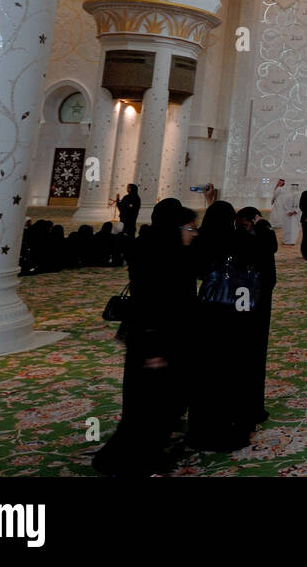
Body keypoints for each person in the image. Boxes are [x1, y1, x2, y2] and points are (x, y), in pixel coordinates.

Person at [93, 199, 198, 476]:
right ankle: (134, 461)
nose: (193, 233)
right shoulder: (159, 258)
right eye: (190, 227)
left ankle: (140, 456)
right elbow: (151, 306)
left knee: (156, 405)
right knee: (150, 408)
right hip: (155, 342)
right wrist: (154, 350)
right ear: (174, 228)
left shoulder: (164, 250)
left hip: (161, 339)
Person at [188, 201, 254, 452]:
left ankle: (201, 429)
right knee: (229, 368)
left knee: (205, 369)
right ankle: (227, 427)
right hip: (233, 308)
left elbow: (195, 271)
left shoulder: (200, 240)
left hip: (206, 309)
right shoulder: (237, 239)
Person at [236, 206, 278, 429]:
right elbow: (270, 246)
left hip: (242, 301)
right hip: (246, 300)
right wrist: (262, 224)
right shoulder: (250, 241)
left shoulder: (239, 239)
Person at [271, 179, 299, 246]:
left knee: (294, 228)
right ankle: (286, 240)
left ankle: (292, 240)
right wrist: (288, 211)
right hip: (288, 214)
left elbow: (301, 205)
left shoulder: (299, 195)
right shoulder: (287, 195)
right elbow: (284, 204)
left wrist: (295, 211)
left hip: (295, 215)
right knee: (287, 227)